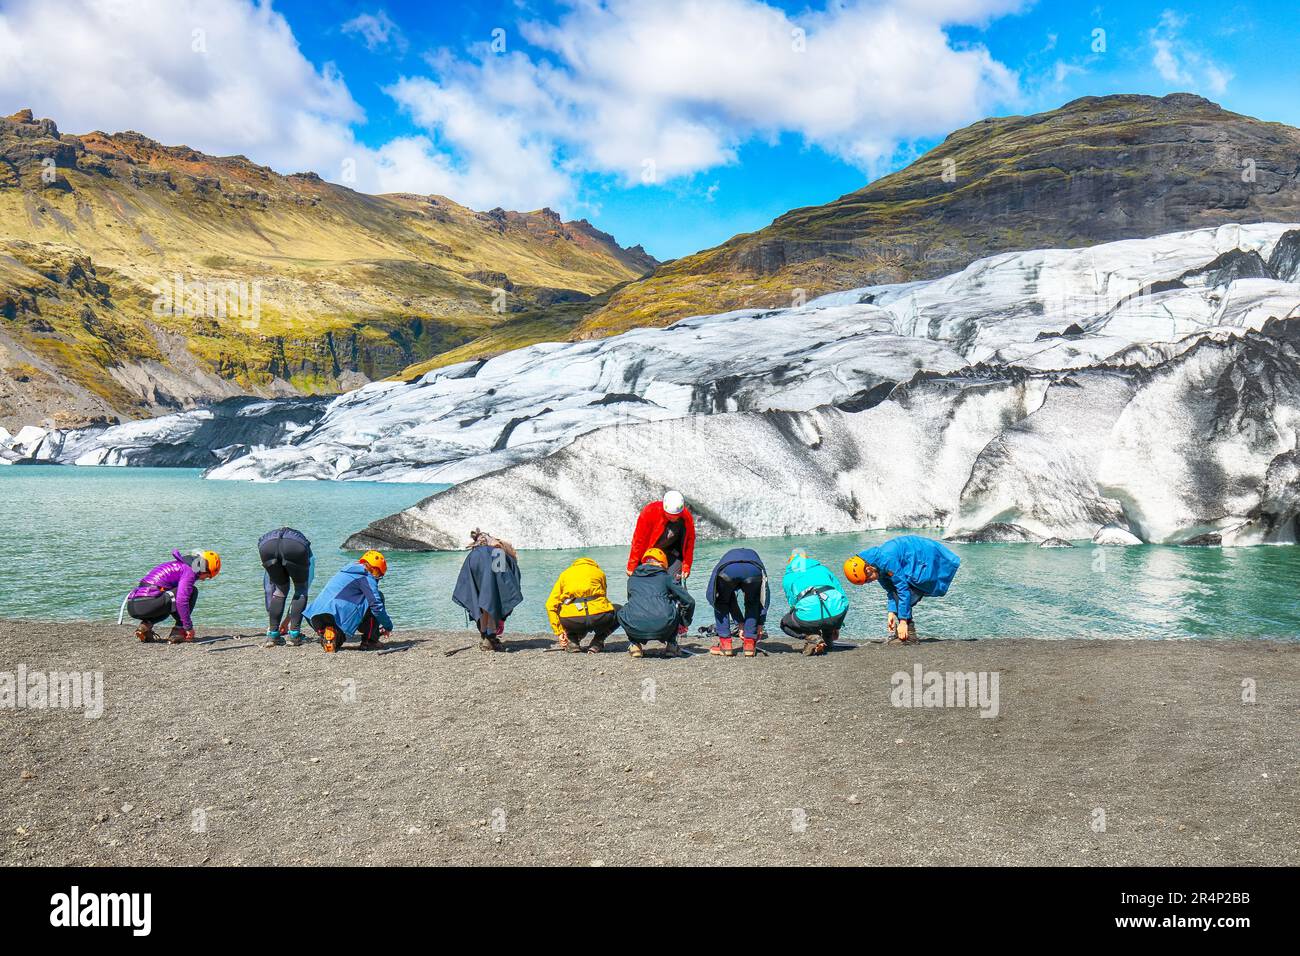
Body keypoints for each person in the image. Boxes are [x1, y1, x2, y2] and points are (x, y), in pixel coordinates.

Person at [843, 536, 961, 644]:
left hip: (924, 557)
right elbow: (891, 589)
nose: (870, 582)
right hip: (914, 558)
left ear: (868, 569)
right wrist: (891, 612)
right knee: (901, 594)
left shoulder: (885, 560)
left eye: (867, 580)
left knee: (910, 592)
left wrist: (903, 621)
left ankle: (910, 634)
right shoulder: (876, 566)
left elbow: (902, 588)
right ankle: (904, 632)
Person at [304, 550, 393, 653]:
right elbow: (376, 606)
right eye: (378, 574)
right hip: (337, 615)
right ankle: (370, 640)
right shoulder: (366, 576)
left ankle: (327, 633)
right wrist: (388, 626)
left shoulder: (345, 571)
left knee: (338, 639)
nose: (377, 578)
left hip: (314, 615)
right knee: (377, 598)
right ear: (373, 568)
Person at [125, 549, 221, 643]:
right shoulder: (189, 571)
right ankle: (178, 632)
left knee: (168, 608)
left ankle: (145, 626)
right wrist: (188, 627)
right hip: (148, 603)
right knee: (192, 591)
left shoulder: (178, 565)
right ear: (205, 569)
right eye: (208, 576)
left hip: (133, 605)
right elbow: (181, 601)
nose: (204, 580)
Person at [452, 529, 523, 652]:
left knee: (479, 599)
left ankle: (484, 636)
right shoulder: (498, 551)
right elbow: (503, 580)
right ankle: (490, 637)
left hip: (472, 561)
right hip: (494, 558)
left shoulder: (474, 552)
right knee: (495, 595)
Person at [617, 548, 694, 658]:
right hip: (665, 627)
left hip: (636, 627)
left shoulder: (632, 579)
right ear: (663, 564)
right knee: (675, 604)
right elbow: (689, 601)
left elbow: (632, 601)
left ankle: (634, 644)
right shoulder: (667, 578)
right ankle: (671, 644)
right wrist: (685, 621)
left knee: (625, 609)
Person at [780, 548, 850, 656]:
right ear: (809, 560)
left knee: (785, 623)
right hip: (836, 614)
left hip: (809, 615)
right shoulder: (823, 569)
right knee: (828, 605)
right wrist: (837, 625)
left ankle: (812, 637)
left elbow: (793, 604)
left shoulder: (788, 578)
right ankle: (828, 639)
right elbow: (842, 595)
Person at [545, 557, 620, 653]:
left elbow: (550, 605)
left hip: (573, 621)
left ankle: (572, 640)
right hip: (599, 618)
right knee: (620, 611)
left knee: (561, 607)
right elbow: (604, 598)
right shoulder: (599, 572)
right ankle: (598, 641)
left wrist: (559, 632)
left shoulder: (565, 574)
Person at [705, 547, 769, 657]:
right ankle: (749, 644)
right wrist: (760, 623)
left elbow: (712, 594)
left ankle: (725, 645)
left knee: (721, 601)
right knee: (753, 601)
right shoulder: (755, 558)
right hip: (753, 571)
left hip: (728, 570)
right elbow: (765, 598)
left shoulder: (725, 559)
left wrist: (739, 622)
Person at [258, 527, 314, 647]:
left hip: (266, 545)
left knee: (280, 589)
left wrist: (271, 617)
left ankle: (273, 635)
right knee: (301, 589)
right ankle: (294, 635)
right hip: (295, 546)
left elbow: (269, 587)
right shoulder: (305, 546)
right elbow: (307, 582)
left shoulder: (270, 536)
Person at [627, 490, 695, 582]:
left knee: (673, 584)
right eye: (670, 516)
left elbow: (689, 543)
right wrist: (632, 566)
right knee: (648, 585)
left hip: (671, 553)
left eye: (676, 516)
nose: (674, 519)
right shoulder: (650, 511)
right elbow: (638, 540)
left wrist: (686, 566)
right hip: (650, 554)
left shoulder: (686, 517)